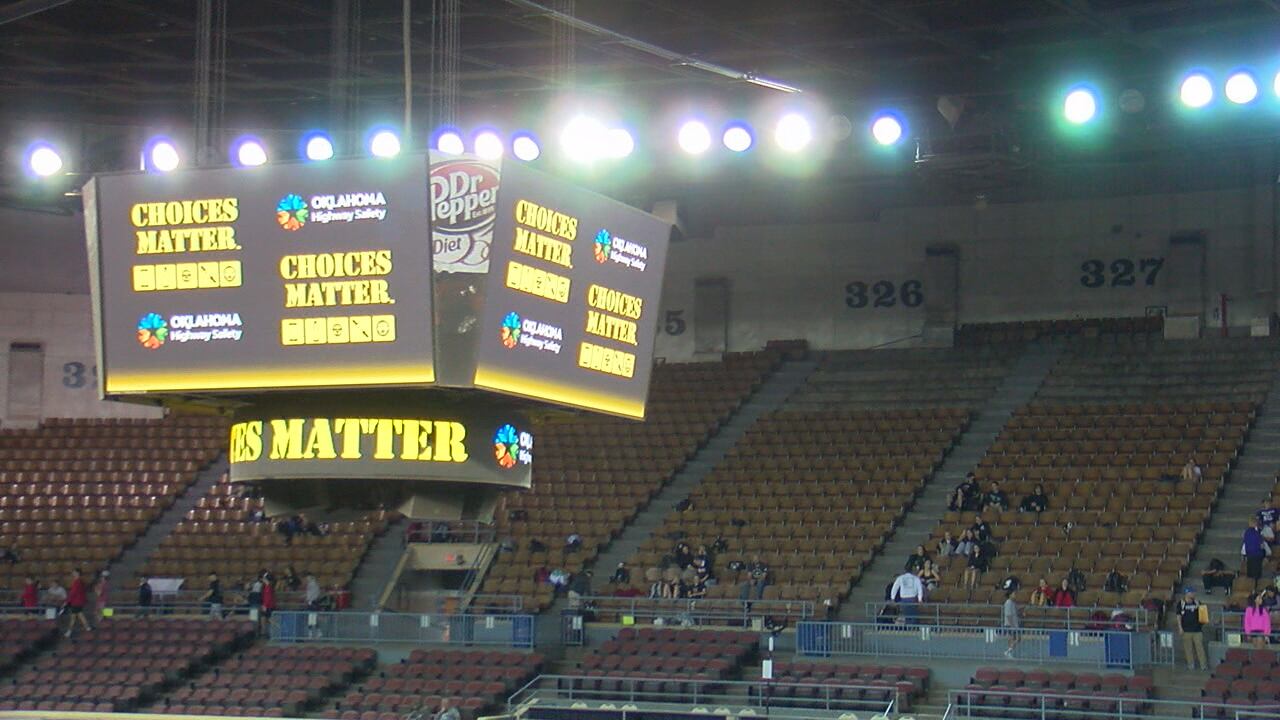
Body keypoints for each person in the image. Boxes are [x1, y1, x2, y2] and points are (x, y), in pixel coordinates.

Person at [1176, 587, 1209, 671]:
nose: (1193, 594)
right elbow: (1178, 616)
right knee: (1188, 649)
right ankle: (1191, 664)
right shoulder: (1181, 603)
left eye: (1193, 592)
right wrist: (1180, 627)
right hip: (1186, 630)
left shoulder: (1197, 602)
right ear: (1187, 593)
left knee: (1200, 648)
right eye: (1191, 592)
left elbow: (1203, 615)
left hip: (1197, 630)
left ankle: (1203, 665)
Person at [64, 568, 92, 637]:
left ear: (77, 573)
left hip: (76, 602)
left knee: (73, 617)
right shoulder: (80, 581)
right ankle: (88, 627)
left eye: (74, 572)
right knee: (80, 615)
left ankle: (69, 631)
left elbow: (73, 593)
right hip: (79, 602)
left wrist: (67, 601)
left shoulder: (77, 582)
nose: (72, 573)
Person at [1243, 517, 1269, 584]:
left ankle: (1250, 586)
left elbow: (1246, 543)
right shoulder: (1256, 533)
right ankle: (1255, 586)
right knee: (1256, 574)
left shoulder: (1246, 532)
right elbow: (1261, 544)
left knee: (1250, 572)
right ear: (1255, 523)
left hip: (1249, 555)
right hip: (1257, 555)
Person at [1002, 590, 1020, 658]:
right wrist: (1012, 625)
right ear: (1010, 595)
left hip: (1014, 624)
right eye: (1013, 594)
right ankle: (1008, 652)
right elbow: (1008, 615)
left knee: (1017, 639)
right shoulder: (1008, 603)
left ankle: (1009, 651)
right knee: (1013, 639)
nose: (1015, 595)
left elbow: (1015, 611)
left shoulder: (1013, 603)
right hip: (1010, 625)